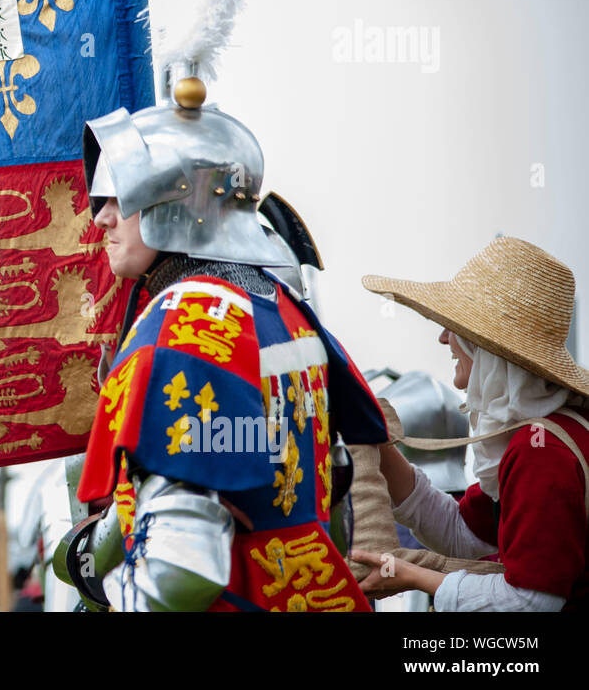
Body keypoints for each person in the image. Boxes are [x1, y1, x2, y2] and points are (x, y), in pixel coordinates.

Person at [61, 77, 388, 611]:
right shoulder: (282, 306)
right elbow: (337, 497)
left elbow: (181, 572)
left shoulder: (187, 322)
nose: (100, 218)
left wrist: (97, 576)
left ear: (176, 199)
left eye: (119, 197)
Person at [351, 237, 589, 611]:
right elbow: (463, 533)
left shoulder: (541, 451)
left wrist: (413, 576)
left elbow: (532, 602)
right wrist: (378, 444)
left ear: (488, 351)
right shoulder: (541, 434)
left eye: (456, 329)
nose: (444, 337)